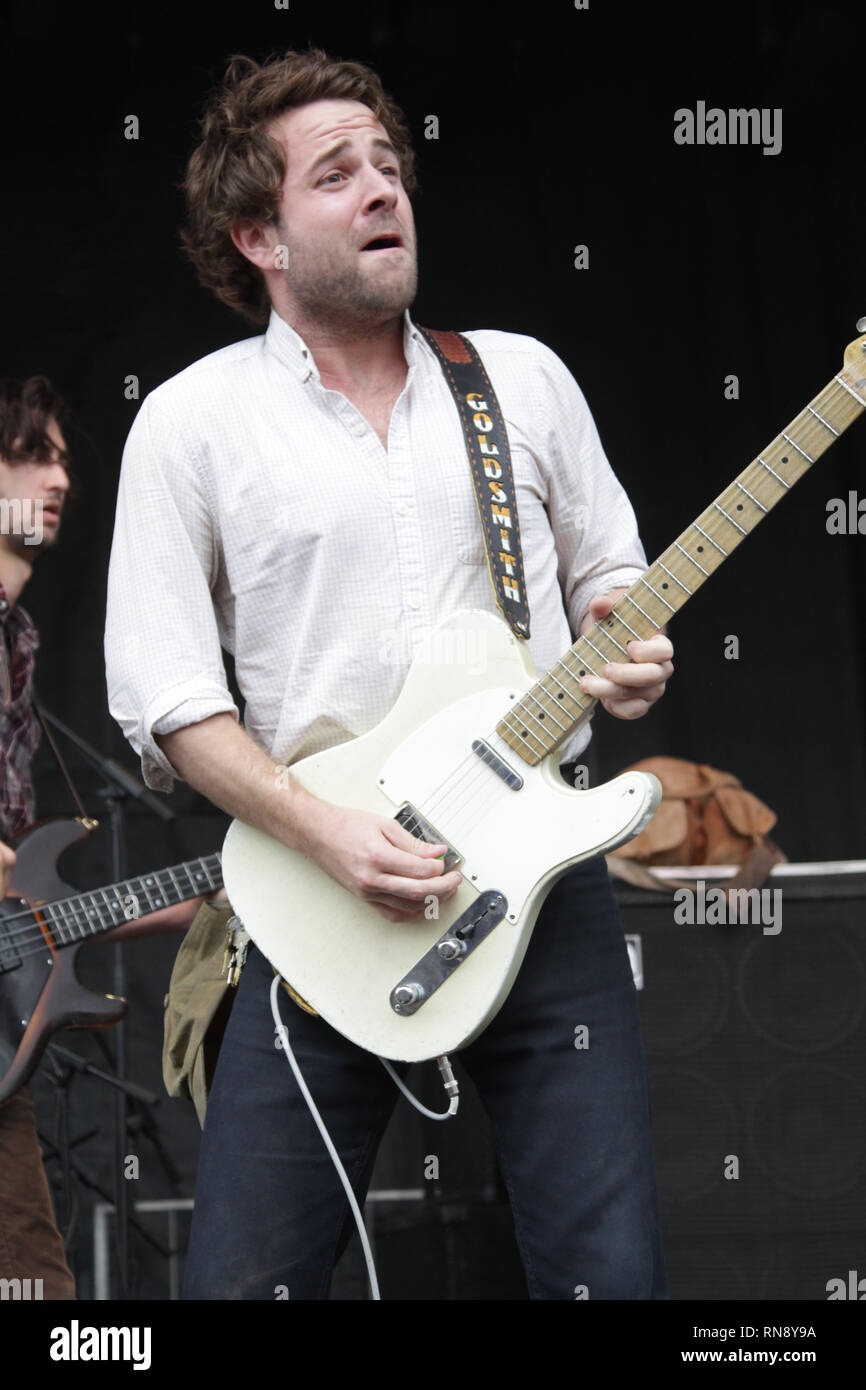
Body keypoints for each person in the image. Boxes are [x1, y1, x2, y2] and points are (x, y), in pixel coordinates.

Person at [105, 48, 675, 1301]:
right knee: (242, 1286)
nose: (381, 191)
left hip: (544, 892)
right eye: (336, 174)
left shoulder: (517, 379)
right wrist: (324, 832)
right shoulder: (193, 424)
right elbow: (170, 700)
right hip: (319, 906)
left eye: (388, 165)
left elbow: (611, 578)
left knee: (607, 1278)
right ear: (257, 232)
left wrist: (622, 638)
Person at [0, 377, 201, 1299]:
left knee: (37, 1282)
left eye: (64, 458)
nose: (61, 476)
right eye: (31, 454)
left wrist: (180, 909)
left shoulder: (20, 641)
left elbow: (24, 907)